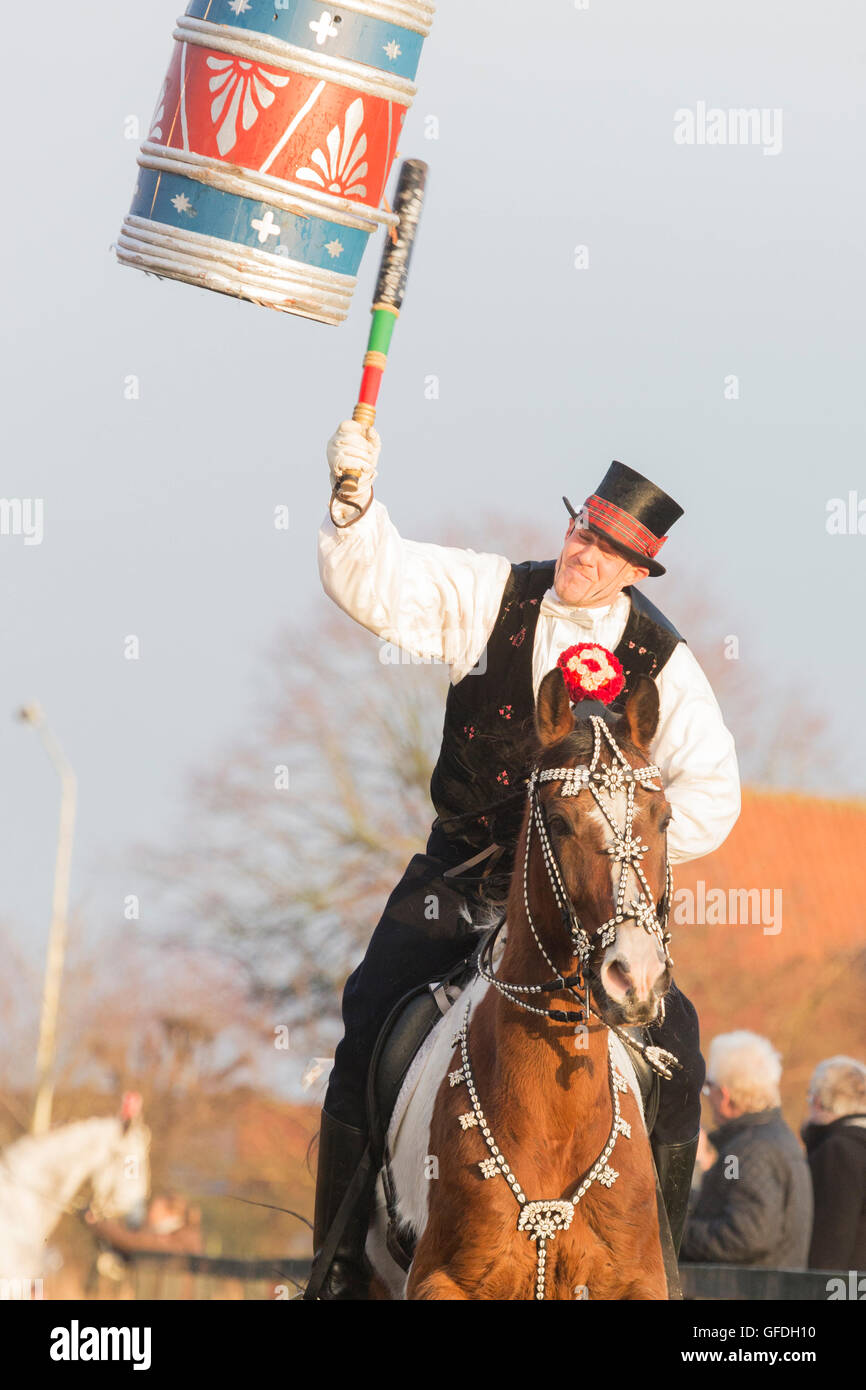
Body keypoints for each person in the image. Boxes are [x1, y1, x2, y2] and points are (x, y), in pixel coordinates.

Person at [310, 419, 741, 1298]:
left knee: (682, 1046)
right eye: (583, 529)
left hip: (588, 909)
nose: (584, 552)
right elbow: (381, 584)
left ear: (636, 571)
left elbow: (714, 795)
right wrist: (354, 505)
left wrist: (614, 854)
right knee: (369, 1013)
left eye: (608, 548)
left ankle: (661, 1267)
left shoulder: (663, 661)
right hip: (462, 878)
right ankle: (338, 1265)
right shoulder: (495, 596)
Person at [681, 1030, 812, 1268]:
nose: (707, 1097)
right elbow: (729, 1204)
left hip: (747, 1285)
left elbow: (747, 1236)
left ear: (725, 1096)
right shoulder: (767, 1140)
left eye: (709, 1087)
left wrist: (676, 1233)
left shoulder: (751, 1151)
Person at [802, 1055, 866, 1271]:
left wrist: (815, 1286)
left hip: (842, 1284)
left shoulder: (839, 1151)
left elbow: (832, 1237)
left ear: (818, 1101)